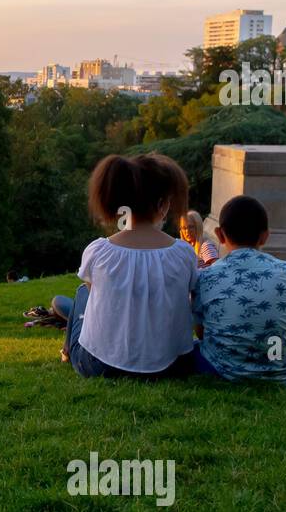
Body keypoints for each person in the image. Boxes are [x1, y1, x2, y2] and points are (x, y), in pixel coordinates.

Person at [58, 154, 197, 379]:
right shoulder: (183, 254)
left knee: (83, 291)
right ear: (162, 204)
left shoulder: (99, 252)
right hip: (172, 367)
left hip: (101, 367)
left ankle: (66, 351)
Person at [192, 195, 286, 385]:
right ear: (265, 236)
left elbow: (201, 332)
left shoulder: (206, 276)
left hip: (223, 370)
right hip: (280, 372)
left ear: (220, 235)